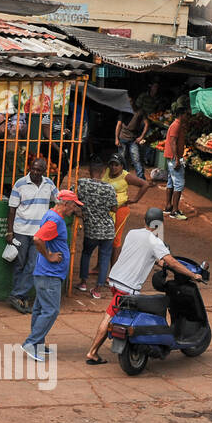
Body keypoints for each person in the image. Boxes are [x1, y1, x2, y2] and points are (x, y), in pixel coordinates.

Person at [85, 208, 204, 364]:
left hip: (114, 280)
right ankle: (92, 353)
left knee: (119, 313)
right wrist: (193, 275)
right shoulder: (155, 241)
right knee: (110, 316)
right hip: (127, 287)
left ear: (144, 220)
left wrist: (159, 262)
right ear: (160, 224)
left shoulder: (133, 233)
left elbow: (145, 255)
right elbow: (172, 262)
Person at [23, 190, 82, 363]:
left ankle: (38, 343)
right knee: (51, 310)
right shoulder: (55, 220)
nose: (75, 209)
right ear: (65, 204)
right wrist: (49, 256)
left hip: (46, 273)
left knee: (41, 309)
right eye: (74, 205)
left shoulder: (51, 215)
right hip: (49, 273)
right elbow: (38, 239)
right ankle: (31, 343)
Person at [5, 156, 57, 313]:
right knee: (19, 264)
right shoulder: (20, 184)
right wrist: (9, 231)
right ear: (30, 168)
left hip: (39, 233)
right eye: (33, 169)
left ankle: (17, 294)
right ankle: (21, 297)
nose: (35, 172)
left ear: (44, 171)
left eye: (38, 170)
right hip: (21, 231)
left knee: (33, 264)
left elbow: (58, 199)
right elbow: (12, 209)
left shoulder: (49, 184)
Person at [75, 159, 118, 299]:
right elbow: (114, 208)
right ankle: (98, 289)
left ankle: (83, 282)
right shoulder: (109, 188)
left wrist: (82, 210)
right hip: (107, 229)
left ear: (89, 171)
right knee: (105, 257)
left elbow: (73, 198)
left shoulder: (82, 184)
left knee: (86, 253)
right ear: (104, 172)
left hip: (91, 228)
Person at [106, 154, 162, 251]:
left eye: (116, 165)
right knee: (105, 238)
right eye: (111, 164)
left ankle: (114, 266)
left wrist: (135, 200)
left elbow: (144, 184)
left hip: (120, 210)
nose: (113, 167)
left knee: (115, 239)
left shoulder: (126, 176)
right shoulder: (107, 172)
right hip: (107, 210)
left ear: (122, 166)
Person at [163, 105, 192, 220]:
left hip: (171, 157)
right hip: (173, 158)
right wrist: (177, 159)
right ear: (182, 114)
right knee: (179, 184)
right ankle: (174, 211)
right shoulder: (176, 126)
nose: (188, 117)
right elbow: (173, 142)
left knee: (170, 182)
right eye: (186, 114)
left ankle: (168, 206)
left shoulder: (178, 125)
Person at [115, 104, 150, 178]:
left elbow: (147, 124)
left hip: (133, 139)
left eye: (131, 102)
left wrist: (141, 137)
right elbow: (119, 125)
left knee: (136, 159)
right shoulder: (124, 111)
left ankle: (141, 178)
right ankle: (124, 177)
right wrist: (116, 139)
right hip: (122, 138)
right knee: (122, 159)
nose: (130, 104)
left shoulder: (140, 112)